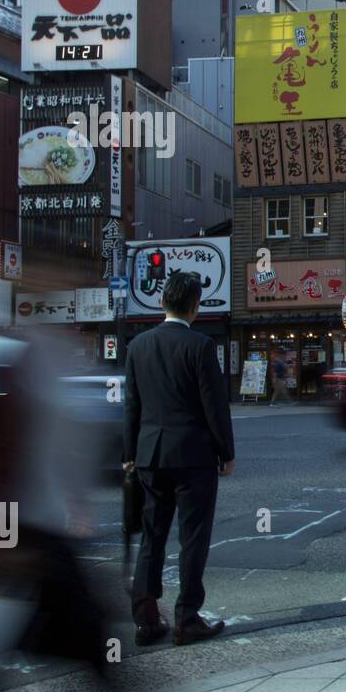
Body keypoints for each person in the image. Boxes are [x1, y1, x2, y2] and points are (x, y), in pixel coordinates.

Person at [123, 274, 235, 647]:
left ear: (161, 304)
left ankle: (145, 620)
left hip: (150, 455)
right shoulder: (201, 346)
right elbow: (214, 406)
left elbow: (132, 406)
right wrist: (227, 452)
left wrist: (129, 455)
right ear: (195, 307)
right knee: (193, 537)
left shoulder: (138, 346)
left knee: (152, 536)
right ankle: (187, 618)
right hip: (193, 455)